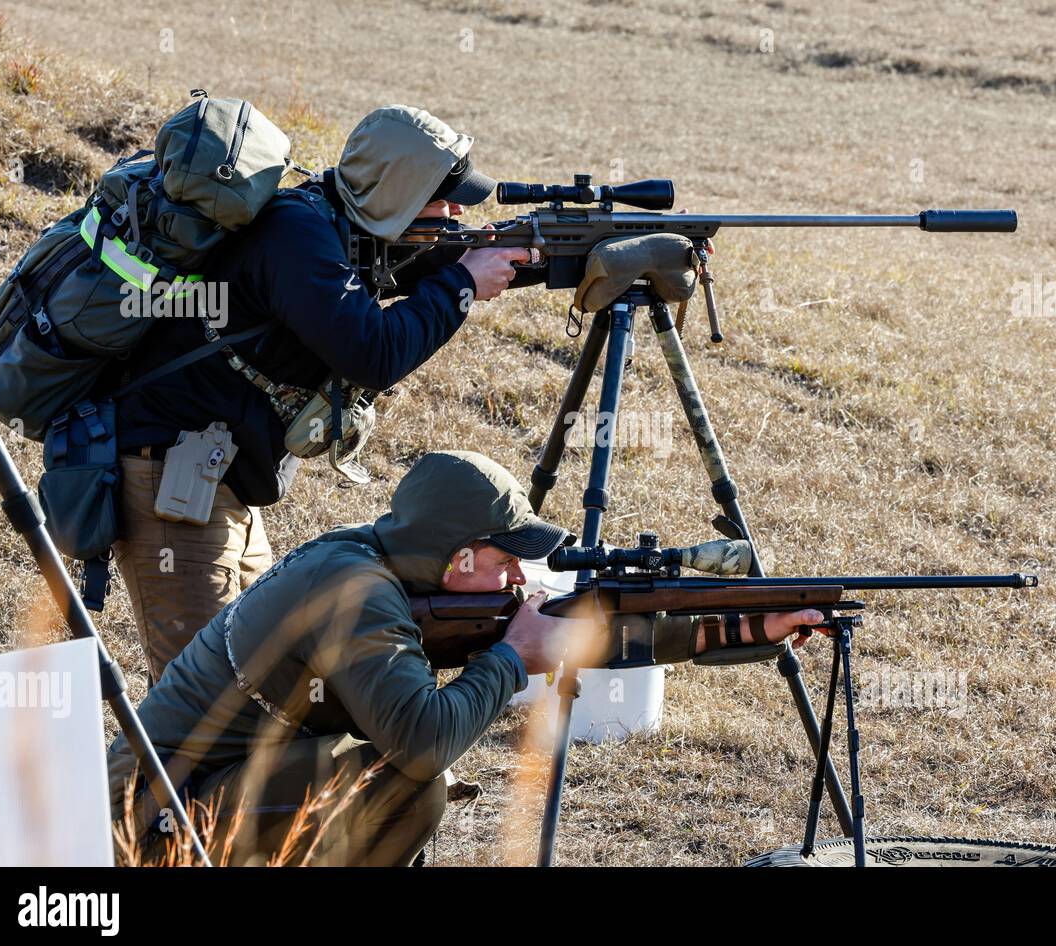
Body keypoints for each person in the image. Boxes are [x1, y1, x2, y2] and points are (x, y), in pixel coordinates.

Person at [107, 451, 825, 866]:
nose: (520, 576)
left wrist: (744, 630)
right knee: (408, 783)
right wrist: (511, 660)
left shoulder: (389, 563)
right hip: (144, 821)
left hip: (207, 787)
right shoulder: (357, 592)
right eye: (506, 558)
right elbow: (423, 743)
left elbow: (587, 631)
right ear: (459, 558)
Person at [106, 105, 532, 682]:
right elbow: (373, 351)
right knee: (205, 690)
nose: (455, 216)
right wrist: (461, 282)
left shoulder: (334, 223)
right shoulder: (298, 237)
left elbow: (419, 265)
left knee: (265, 676)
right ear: (395, 193)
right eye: (442, 199)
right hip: (177, 488)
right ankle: (152, 776)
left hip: (219, 480)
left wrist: (539, 255)